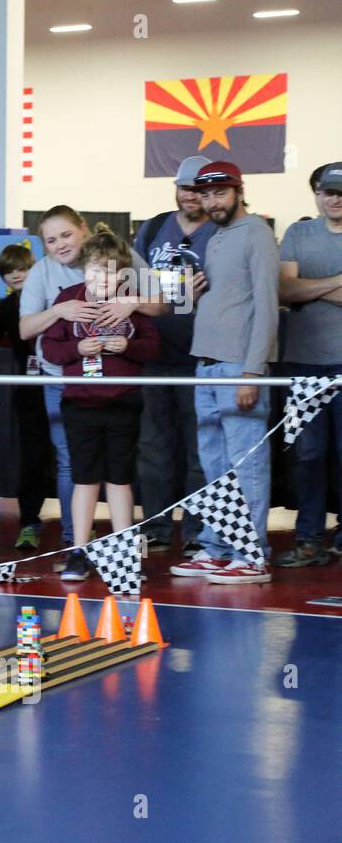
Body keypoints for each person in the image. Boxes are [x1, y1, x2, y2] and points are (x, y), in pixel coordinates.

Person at [18, 204, 155, 550]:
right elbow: (34, 337)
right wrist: (58, 313)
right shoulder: (50, 281)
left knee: (119, 476)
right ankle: (76, 543)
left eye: (66, 235)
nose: (61, 244)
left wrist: (131, 304)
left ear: (84, 229)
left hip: (121, 395)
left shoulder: (121, 260)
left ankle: (123, 547)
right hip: (72, 390)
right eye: (51, 240)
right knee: (77, 470)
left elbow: (162, 310)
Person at [169, 162, 279, 584]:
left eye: (220, 194)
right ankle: (217, 547)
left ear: (238, 191)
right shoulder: (215, 237)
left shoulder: (257, 234)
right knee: (214, 464)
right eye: (206, 195)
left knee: (245, 463)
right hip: (207, 363)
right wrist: (191, 296)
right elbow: (224, 302)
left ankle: (251, 553)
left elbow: (267, 307)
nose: (212, 202)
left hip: (239, 366)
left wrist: (253, 372)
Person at [133, 156, 215, 556]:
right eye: (185, 188)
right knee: (154, 447)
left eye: (199, 190)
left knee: (200, 450)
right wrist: (183, 297)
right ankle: (156, 527)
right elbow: (134, 288)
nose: (190, 196)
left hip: (203, 358)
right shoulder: (151, 230)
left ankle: (198, 531)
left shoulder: (221, 232)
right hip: (154, 355)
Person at [274, 160, 342, 568]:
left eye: (341, 193)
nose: (335, 199)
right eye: (328, 192)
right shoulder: (299, 233)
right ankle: (309, 536)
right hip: (304, 363)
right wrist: (338, 281)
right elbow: (285, 290)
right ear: (316, 194)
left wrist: (310, 288)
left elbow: (300, 289)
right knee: (308, 454)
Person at [0, 243, 50, 550]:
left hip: (63, 384)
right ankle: (29, 521)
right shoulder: (7, 307)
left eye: (21, 269)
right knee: (32, 457)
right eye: (9, 272)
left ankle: (80, 526)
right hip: (28, 390)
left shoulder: (53, 297)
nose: (16, 276)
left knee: (69, 458)